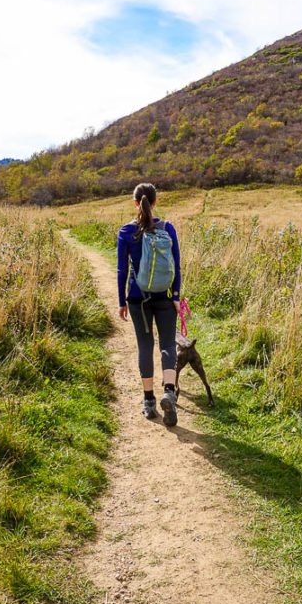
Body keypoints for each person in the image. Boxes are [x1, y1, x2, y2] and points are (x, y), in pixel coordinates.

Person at [116, 182, 181, 426]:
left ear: (135, 203)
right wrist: (175, 296)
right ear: (155, 202)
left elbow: (122, 269)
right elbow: (177, 264)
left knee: (145, 346)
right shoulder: (168, 228)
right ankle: (169, 392)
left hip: (137, 298)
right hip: (164, 296)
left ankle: (149, 402)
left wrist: (121, 301)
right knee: (167, 345)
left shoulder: (126, 232)